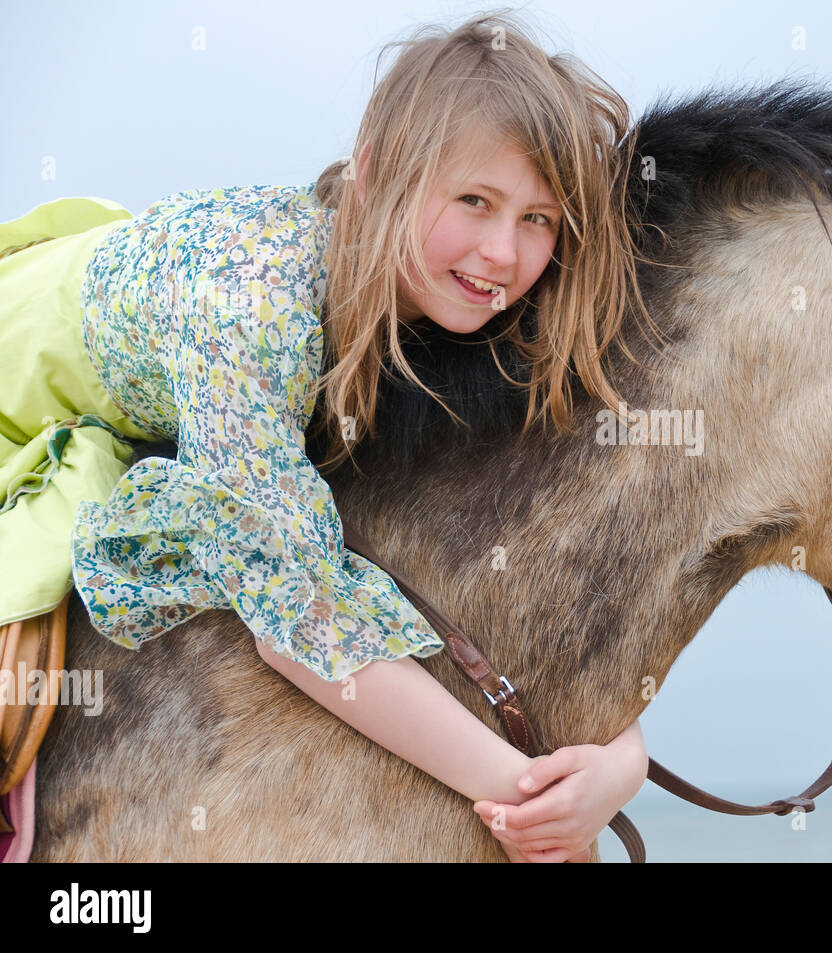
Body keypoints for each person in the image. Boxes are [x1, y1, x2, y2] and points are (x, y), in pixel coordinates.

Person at [0, 12, 653, 863]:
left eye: (538, 218)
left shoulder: (464, 290)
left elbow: (517, 554)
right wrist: (518, 791)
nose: (502, 253)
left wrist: (619, 765)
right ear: (376, 173)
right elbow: (295, 618)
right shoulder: (256, 310)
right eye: (474, 201)